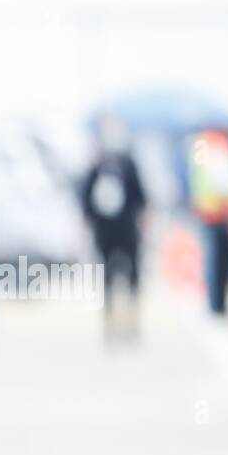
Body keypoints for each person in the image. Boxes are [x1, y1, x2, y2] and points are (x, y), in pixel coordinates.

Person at [80, 115, 146, 314]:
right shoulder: (98, 163)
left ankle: (129, 302)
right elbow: (86, 194)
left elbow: (140, 194)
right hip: (110, 226)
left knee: (128, 266)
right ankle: (111, 303)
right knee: (109, 266)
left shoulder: (124, 163)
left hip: (121, 225)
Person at [188, 127, 228, 316]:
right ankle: (217, 302)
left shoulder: (207, 148)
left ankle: (218, 303)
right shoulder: (218, 149)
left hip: (220, 213)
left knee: (220, 260)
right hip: (216, 214)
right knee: (218, 260)